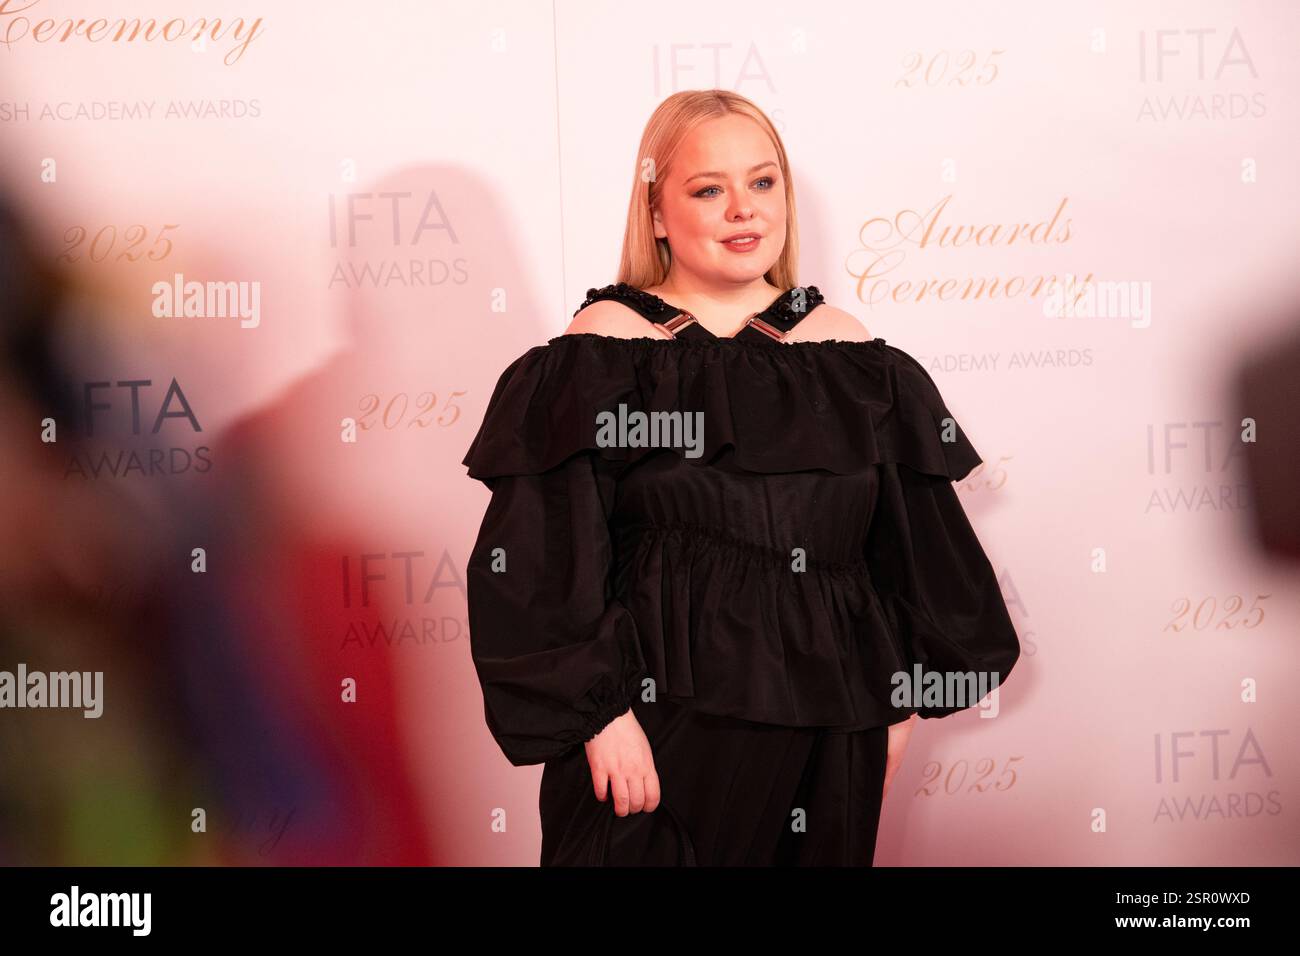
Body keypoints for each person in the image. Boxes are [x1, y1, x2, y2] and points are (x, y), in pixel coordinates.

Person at [461, 89, 1021, 865]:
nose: (742, 211)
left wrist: (897, 715)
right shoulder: (600, 351)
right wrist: (598, 718)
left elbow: (918, 558)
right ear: (656, 212)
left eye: (762, 183)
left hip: (830, 736)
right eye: (708, 190)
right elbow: (539, 560)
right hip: (650, 735)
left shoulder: (852, 358)